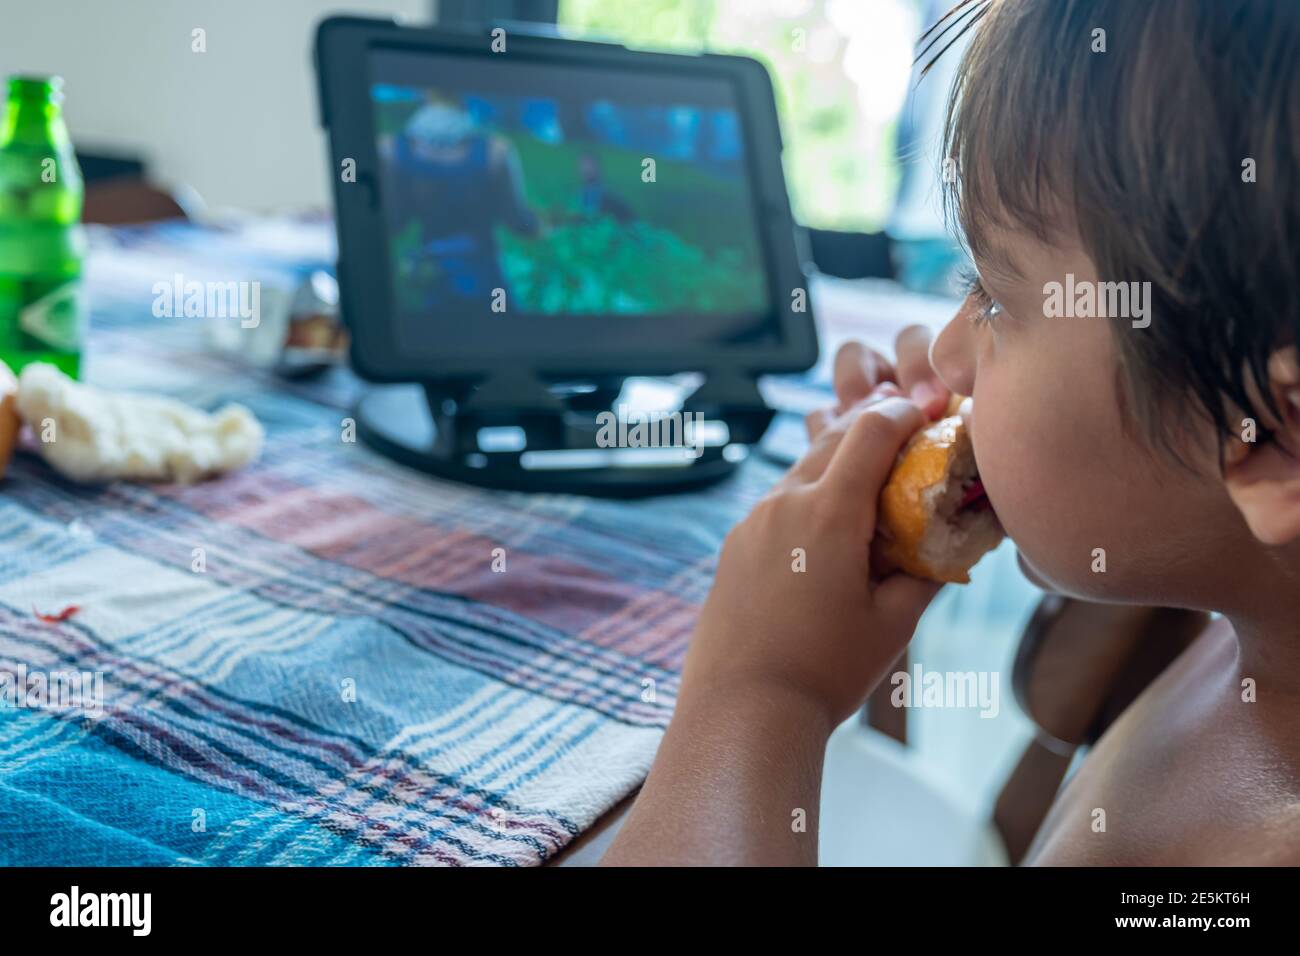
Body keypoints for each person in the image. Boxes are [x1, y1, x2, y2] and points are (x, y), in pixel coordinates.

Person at [601, 0, 1300, 866]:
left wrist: (756, 692)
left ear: (1276, 435)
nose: (946, 351)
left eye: (998, 298)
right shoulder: (1241, 622)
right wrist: (898, 550)